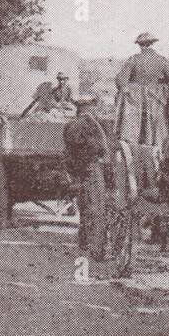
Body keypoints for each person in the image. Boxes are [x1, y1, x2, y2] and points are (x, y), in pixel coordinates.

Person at [62, 96, 108, 252]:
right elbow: (102, 148)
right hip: (91, 170)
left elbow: (67, 151)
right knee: (95, 205)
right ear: (90, 109)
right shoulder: (93, 125)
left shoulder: (69, 125)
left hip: (76, 171)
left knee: (83, 204)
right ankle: (93, 243)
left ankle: (83, 240)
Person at [115, 32, 169, 146]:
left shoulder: (133, 60)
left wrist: (133, 87)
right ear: (152, 43)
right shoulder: (161, 60)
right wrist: (160, 83)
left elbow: (120, 81)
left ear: (140, 45)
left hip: (135, 106)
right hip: (156, 103)